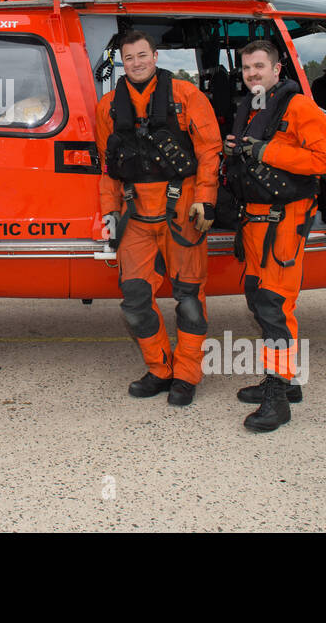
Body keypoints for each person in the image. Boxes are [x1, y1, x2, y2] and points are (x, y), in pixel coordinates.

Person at [95, 31, 221, 406]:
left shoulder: (186, 96)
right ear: (122, 61)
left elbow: (210, 151)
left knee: (189, 300)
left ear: (154, 55)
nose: (136, 62)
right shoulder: (108, 107)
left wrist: (206, 199)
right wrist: (109, 213)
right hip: (134, 214)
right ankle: (159, 369)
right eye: (129, 57)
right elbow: (107, 168)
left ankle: (186, 375)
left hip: (180, 209)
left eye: (142, 55)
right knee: (134, 302)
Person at [223, 39, 326, 432]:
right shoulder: (252, 108)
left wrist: (264, 152)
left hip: (283, 224)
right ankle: (284, 381)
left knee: (274, 306)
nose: (252, 74)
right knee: (259, 298)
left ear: (277, 70)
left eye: (259, 66)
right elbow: (252, 153)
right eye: (246, 68)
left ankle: (278, 398)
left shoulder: (299, 107)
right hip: (255, 222)